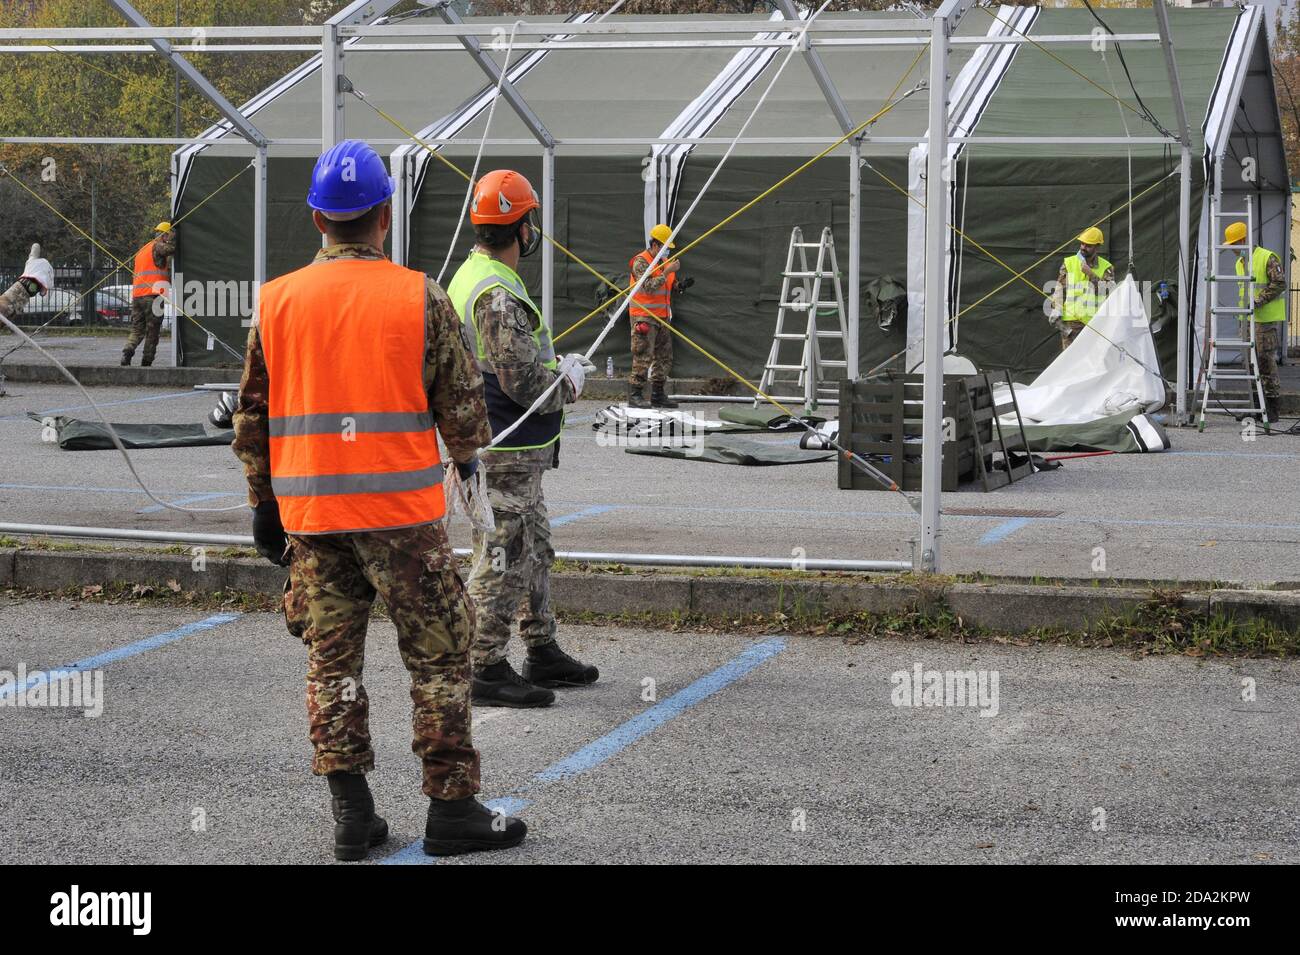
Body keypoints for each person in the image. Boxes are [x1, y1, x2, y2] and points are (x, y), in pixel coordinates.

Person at [231, 140, 525, 860]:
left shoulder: (276, 302)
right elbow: (464, 416)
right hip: (400, 521)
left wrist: (263, 507)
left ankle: (352, 812)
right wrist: (468, 471)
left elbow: (252, 420)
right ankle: (451, 807)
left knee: (333, 667)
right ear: (386, 216)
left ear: (315, 219)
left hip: (312, 522)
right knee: (439, 657)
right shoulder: (417, 296)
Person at [447, 168, 598, 709]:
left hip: (506, 446)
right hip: (504, 448)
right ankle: (483, 665)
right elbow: (520, 379)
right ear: (523, 227)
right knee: (504, 554)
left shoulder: (476, 274)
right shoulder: (494, 293)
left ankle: (541, 647)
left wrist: (555, 366)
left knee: (535, 547)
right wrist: (570, 381)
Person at [1225, 220, 1286, 424]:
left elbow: (1280, 283)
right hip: (1248, 321)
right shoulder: (1240, 262)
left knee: (1265, 363)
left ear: (1243, 240)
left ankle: (1272, 409)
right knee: (1250, 365)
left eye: (1234, 245)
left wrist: (1258, 301)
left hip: (1264, 321)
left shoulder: (1267, 257)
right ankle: (1258, 407)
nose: (1233, 250)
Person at [627, 223, 679, 408]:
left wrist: (677, 285)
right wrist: (667, 272)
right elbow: (648, 287)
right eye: (665, 248)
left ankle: (658, 394)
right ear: (656, 245)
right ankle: (635, 394)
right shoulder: (641, 261)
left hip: (662, 316)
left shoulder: (662, 262)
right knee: (643, 356)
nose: (667, 252)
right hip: (644, 316)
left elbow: (665, 286)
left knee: (664, 356)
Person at [1049, 226, 1115, 350]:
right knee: (1069, 362)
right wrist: (1056, 308)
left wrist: (1090, 274)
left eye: (1088, 245)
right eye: (1082, 243)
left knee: (1093, 362)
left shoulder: (1106, 267)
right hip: (1071, 323)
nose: (1083, 247)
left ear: (1097, 247)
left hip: (1095, 324)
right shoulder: (1069, 263)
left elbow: (1107, 291)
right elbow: (1059, 288)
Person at [123, 222, 177, 367]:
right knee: (152, 331)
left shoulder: (142, 250)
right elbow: (172, 249)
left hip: (137, 296)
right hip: (152, 296)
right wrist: (174, 237)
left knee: (137, 329)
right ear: (164, 235)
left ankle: (127, 351)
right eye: (167, 235)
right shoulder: (158, 246)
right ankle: (147, 362)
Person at [1, 244, 54, 322]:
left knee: (6, 311)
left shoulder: (33, 260)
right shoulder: (48, 268)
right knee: (7, 312)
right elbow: (48, 289)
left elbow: (35, 247)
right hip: (25, 292)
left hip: (22, 289)